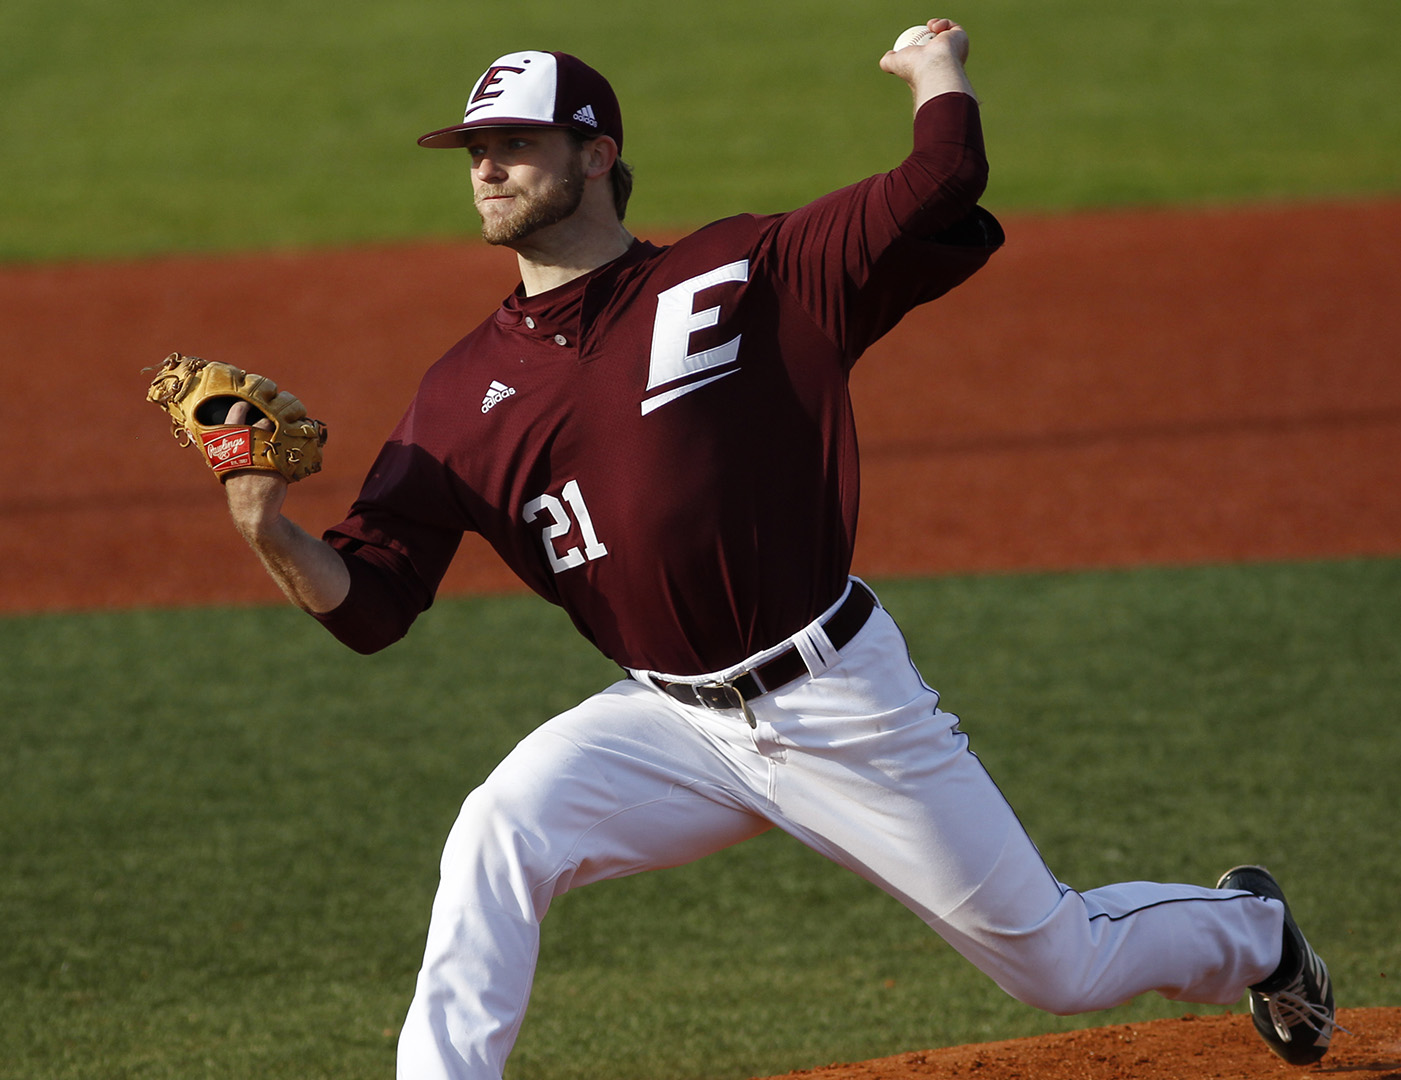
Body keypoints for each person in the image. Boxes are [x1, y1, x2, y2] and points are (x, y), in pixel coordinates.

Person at [216, 20, 1339, 1079]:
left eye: (517, 143)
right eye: (475, 149)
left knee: (1059, 966)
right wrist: (267, 527)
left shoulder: (741, 272)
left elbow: (941, 182)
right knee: (500, 827)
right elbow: (369, 604)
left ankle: (1256, 931)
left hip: (839, 699)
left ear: (597, 154)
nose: (487, 168)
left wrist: (937, 68)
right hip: (669, 722)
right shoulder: (460, 395)